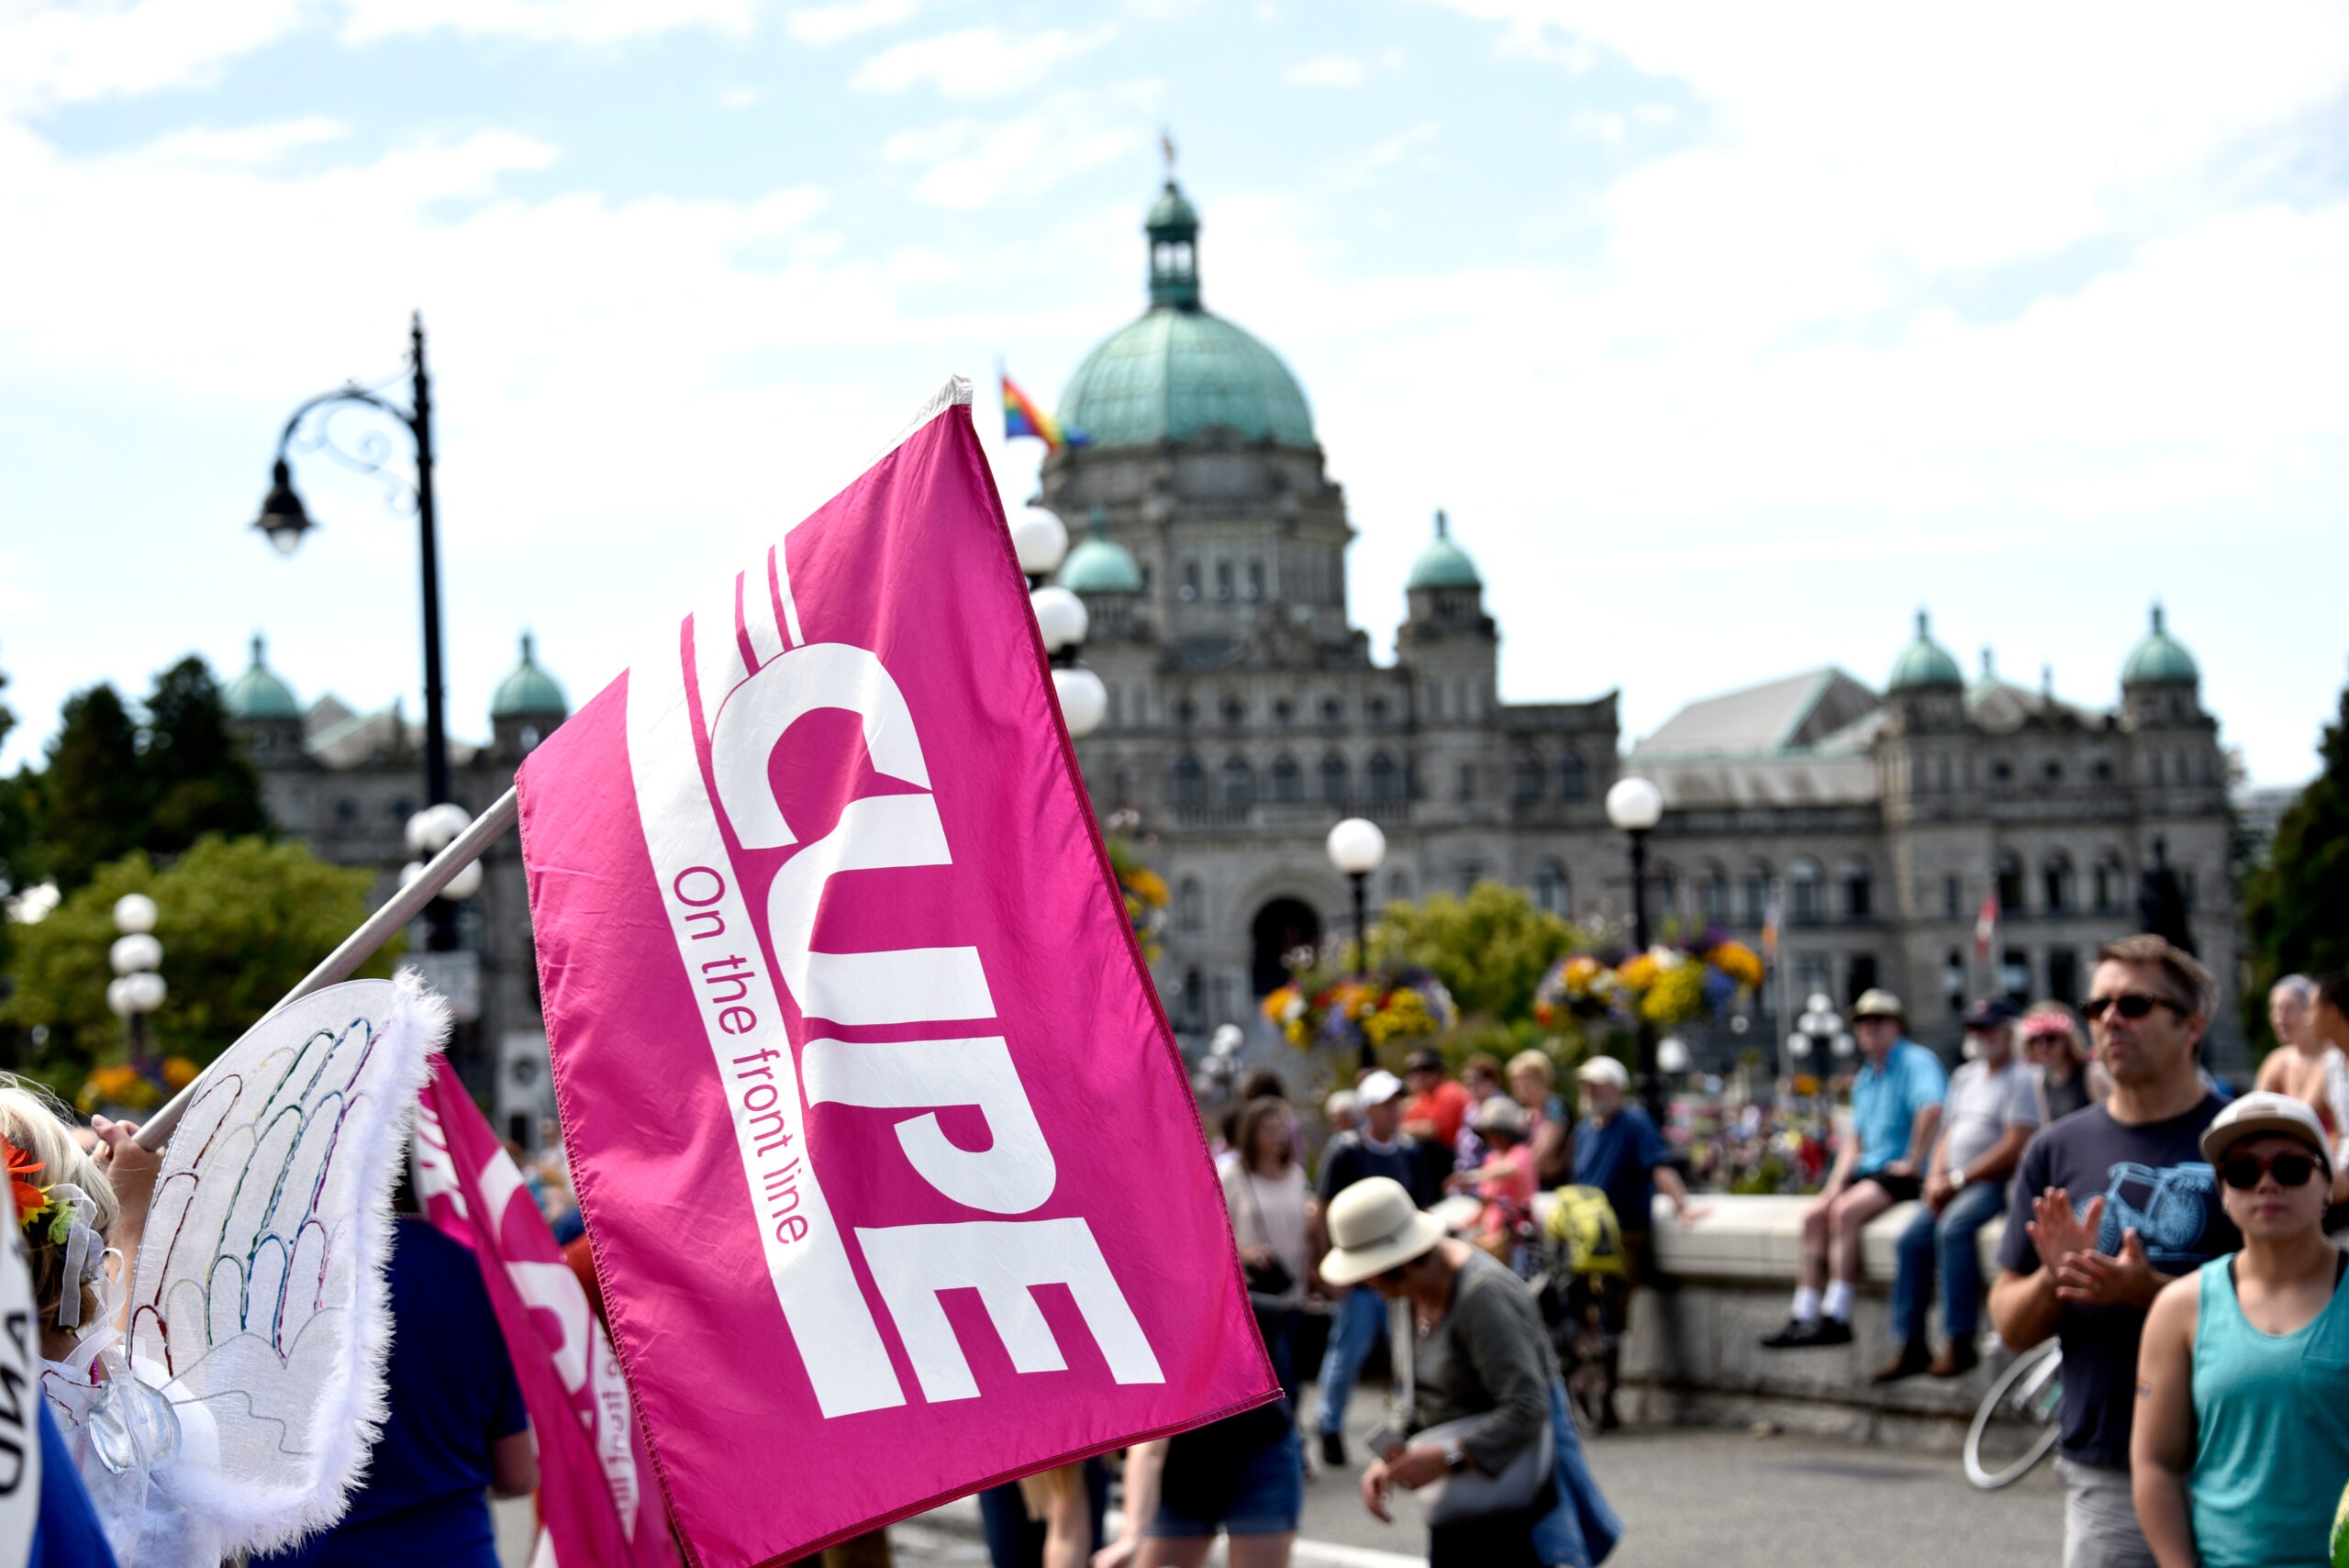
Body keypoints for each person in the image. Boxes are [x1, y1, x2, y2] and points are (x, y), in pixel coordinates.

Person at [1988, 935, 2240, 1568]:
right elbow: (2011, 1325)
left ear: (2192, 1025)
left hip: (2241, 1464)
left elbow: (2295, 1307)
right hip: (2107, 1468)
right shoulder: (2055, 1149)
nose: (2109, 1020)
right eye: (2096, 1006)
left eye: (2133, 1003)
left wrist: (2147, 1290)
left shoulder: (2250, 1144)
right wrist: (2059, 1276)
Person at [1323, 1178, 1620, 1568]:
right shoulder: (1409, 1290)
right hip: (1467, 1502)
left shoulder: (1481, 1296)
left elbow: (1527, 1406)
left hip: (1519, 1500)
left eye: (1374, 1276)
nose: (1373, 1288)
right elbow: (1414, 1393)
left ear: (1407, 1261)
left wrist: (1449, 1456)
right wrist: (1391, 1452)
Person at [2132, 1092, 2349, 1568]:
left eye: (2291, 1168)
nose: (2267, 1185)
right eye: (2243, 1172)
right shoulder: (2180, 1308)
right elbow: (2154, 1462)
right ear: (2224, 1194)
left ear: (2328, 1185)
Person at [1763, 989, 1944, 1349]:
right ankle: (1803, 1313)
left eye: (1877, 1021)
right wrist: (1832, 1186)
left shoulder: (1915, 1061)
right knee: (1816, 1216)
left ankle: (1838, 1314)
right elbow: (1854, 1141)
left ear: (1897, 1026)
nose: (1868, 1029)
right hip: (1873, 1170)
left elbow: (1932, 1108)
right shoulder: (1865, 1077)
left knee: (1845, 1212)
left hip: (1904, 1172)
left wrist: (1913, 1158)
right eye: (1861, 1022)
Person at [1877, 997, 2039, 1382]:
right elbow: (1947, 1134)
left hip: (1991, 1183)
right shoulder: (1965, 1076)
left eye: (1986, 1028)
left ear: (2007, 1033)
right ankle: (1911, 1342)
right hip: (1951, 1181)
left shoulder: (2023, 1077)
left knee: (1954, 1230)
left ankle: (1959, 1339)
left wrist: (1959, 1179)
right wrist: (1935, 1176)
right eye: (1973, 1028)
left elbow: (2015, 1144)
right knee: (1911, 1241)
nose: (1977, 1036)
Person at [1564, 1056, 1703, 1428]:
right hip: (1584, 1236)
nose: (1590, 1092)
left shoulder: (1634, 1121)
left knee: (1612, 1311)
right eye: (1587, 1085)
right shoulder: (1584, 1130)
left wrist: (1682, 1205)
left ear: (1616, 1088)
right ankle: (1587, 1378)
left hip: (1622, 1234)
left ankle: (1607, 1394)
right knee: (1576, 1308)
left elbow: (1658, 1164)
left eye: (1597, 1084)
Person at [1308, 1070, 1430, 1468]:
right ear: (1368, 1109)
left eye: (1396, 1102)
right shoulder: (1346, 1151)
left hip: (1401, 1276)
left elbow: (1420, 1208)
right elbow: (1323, 1210)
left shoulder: (1409, 1150)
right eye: (1384, 1103)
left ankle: (1408, 1425)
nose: (1393, 1110)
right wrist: (1328, 1269)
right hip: (1361, 1279)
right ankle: (1329, 1426)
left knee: (1405, 1355)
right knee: (1348, 1352)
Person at [1224, 1095, 1310, 1406]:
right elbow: (1216, 1234)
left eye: (1280, 1128)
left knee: (1294, 1380)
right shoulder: (1233, 1177)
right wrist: (1245, 1253)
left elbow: (1305, 1234)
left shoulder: (1296, 1177)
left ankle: (1292, 1441)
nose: (1276, 1135)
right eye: (1268, 1129)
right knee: (1276, 1380)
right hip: (1254, 1295)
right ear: (1251, 1133)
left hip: (1292, 1290)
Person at [1443, 1095, 1535, 1262]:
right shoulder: (1491, 1158)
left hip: (1515, 1237)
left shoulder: (1522, 1153)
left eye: (1496, 1133)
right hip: (1492, 1235)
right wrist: (1463, 1226)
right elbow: (1486, 1202)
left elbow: (1510, 1169)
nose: (1492, 1139)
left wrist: (1471, 1177)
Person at [2024, 1002, 2112, 1125]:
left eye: (2051, 1038)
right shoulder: (2042, 1081)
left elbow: (2112, 1124)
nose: (2043, 1047)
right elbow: (2049, 1130)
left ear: (2067, 1040)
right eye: (2035, 1040)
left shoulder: (2092, 1074)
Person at [1402, 1051, 1474, 1198]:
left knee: (1419, 1148)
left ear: (1439, 1071)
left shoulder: (1449, 1091)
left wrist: (1394, 1128)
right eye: (1414, 1071)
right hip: (1441, 1158)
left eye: (1426, 1069)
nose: (1420, 1074)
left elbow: (1431, 1129)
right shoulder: (1424, 1095)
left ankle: (1428, 1200)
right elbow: (1407, 1121)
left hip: (1456, 1157)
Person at [1507, 1051, 1572, 1189]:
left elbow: (1544, 1150)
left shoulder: (1555, 1107)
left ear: (1543, 1079)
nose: (1520, 1085)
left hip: (1552, 1186)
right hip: (1530, 1182)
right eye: (1516, 1080)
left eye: (1525, 1079)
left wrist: (1512, 1169)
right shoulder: (1524, 1112)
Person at [1453, 1054, 1506, 1174]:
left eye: (1476, 1080)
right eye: (1467, 1081)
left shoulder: (1502, 1107)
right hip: (1468, 1172)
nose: (1471, 1086)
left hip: (1492, 1174)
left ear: (1492, 1082)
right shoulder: (1470, 1108)